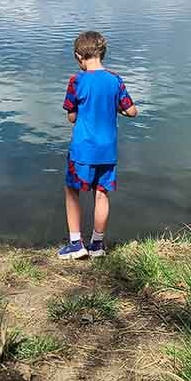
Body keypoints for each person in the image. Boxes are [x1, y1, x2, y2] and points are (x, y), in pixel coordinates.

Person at [58, 31, 137, 260]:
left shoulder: (76, 81)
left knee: (72, 191)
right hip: (108, 151)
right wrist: (118, 109)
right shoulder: (115, 80)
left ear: (78, 56)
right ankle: (97, 244)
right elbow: (131, 111)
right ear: (102, 53)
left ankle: (75, 244)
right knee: (101, 195)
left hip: (83, 149)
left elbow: (72, 117)